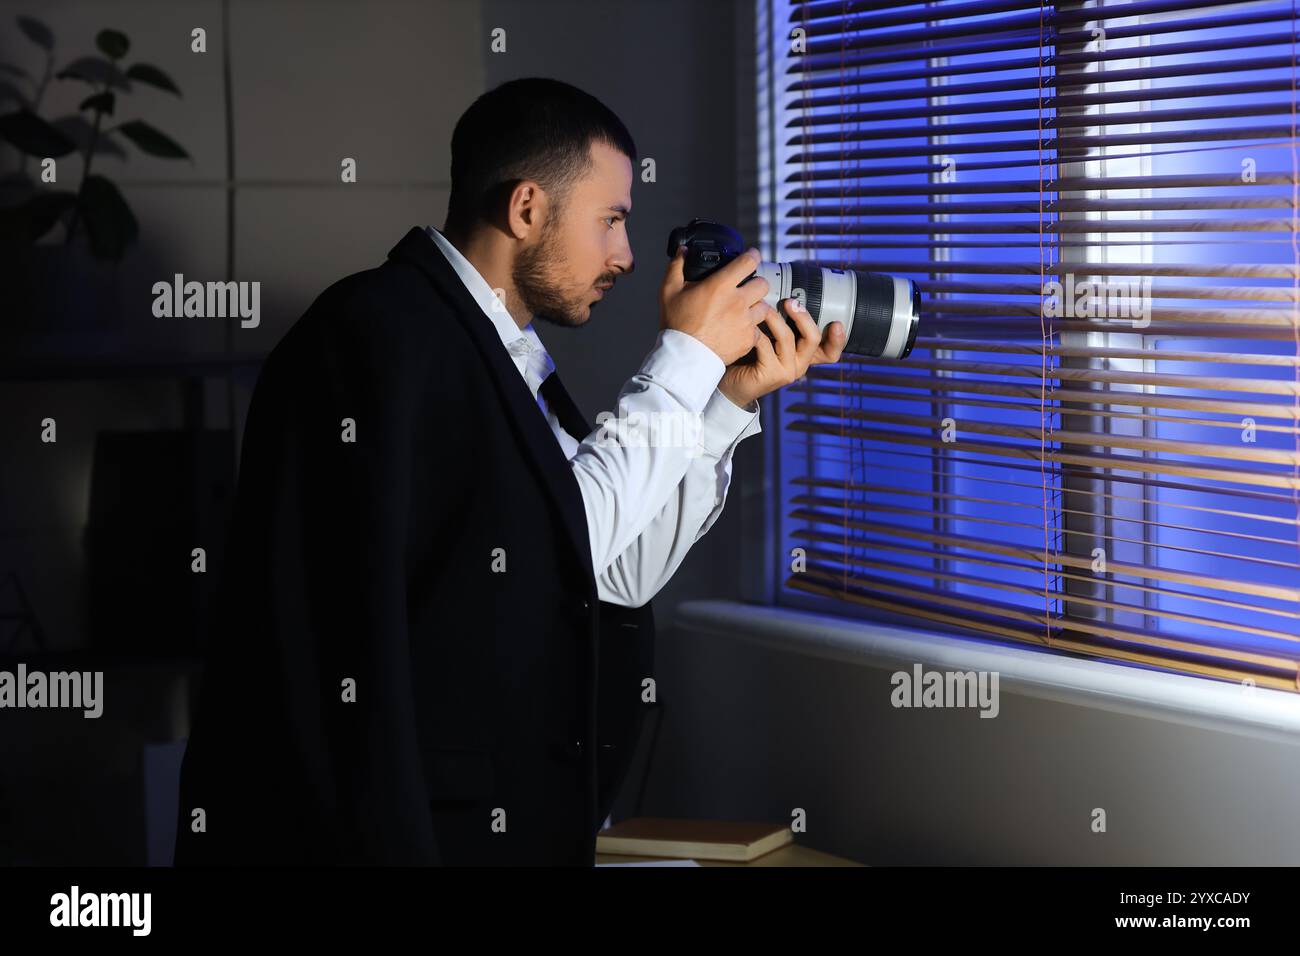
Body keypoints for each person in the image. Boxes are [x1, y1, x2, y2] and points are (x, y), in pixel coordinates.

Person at [173, 76, 845, 866]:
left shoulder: (506, 354)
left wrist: (724, 402)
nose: (628, 257)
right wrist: (685, 357)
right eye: (612, 221)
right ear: (527, 208)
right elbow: (556, 541)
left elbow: (612, 569)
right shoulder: (377, 334)